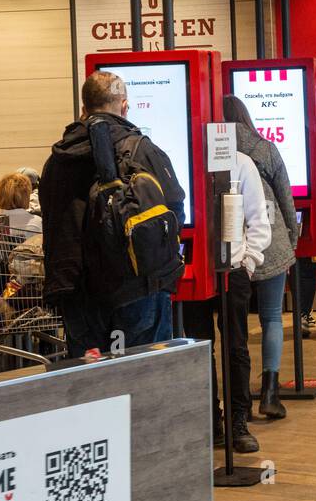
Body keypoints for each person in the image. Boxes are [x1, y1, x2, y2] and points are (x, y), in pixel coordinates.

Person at [40, 71, 186, 358]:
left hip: (77, 293)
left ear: (83, 109)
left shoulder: (57, 160)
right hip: (137, 286)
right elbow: (174, 208)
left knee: (92, 388)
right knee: (146, 376)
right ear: (124, 106)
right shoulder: (141, 150)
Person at [183, 147, 272, 453]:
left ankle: (238, 419)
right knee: (199, 347)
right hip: (194, 271)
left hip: (232, 270)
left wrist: (248, 261)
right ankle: (211, 420)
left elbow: (259, 219)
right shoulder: (182, 157)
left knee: (236, 346)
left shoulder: (241, 163)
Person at [223, 94, 298, 421]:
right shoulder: (264, 147)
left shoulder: (214, 149)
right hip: (269, 238)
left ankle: (235, 397)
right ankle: (270, 392)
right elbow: (285, 197)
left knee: (233, 326)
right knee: (270, 317)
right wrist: (292, 241)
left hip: (230, 246)